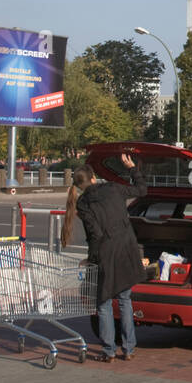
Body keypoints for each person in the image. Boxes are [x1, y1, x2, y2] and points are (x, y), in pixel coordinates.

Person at [61, 152, 148, 362]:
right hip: (127, 249)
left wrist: (91, 259)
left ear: (80, 185)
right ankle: (128, 349)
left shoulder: (82, 203)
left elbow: (95, 234)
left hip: (105, 254)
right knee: (125, 299)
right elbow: (142, 190)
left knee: (103, 303)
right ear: (93, 178)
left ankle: (109, 351)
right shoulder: (113, 188)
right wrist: (132, 168)